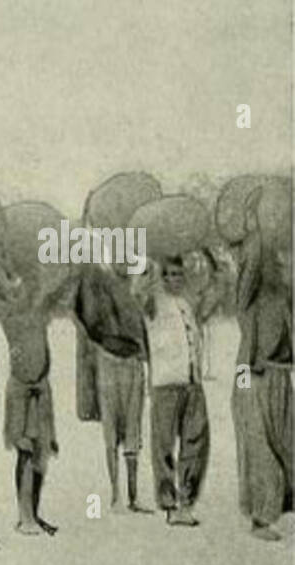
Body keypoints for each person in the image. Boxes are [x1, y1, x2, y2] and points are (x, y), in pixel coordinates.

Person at [0, 260, 76, 536]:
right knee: (25, 452)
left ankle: (34, 513)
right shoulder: (11, 316)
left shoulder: (39, 312)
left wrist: (68, 269)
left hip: (41, 388)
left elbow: (59, 290)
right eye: (23, 288)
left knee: (41, 455)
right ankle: (25, 514)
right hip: (22, 390)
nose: (29, 291)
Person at [139, 254, 224, 526]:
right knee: (163, 445)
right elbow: (138, 288)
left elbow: (216, 290)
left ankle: (186, 502)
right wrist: (149, 260)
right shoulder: (153, 304)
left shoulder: (188, 304)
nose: (173, 279)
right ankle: (168, 503)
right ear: (161, 278)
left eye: (177, 274)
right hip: (165, 384)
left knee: (196, 442)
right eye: (168, 275)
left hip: (193, 383)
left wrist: (209, 256)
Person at [231, 191, 293, 541]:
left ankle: (275, 509)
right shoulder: (256, 249)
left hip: (279, 366)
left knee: (284, 437)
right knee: (258, 440)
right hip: (254, 367)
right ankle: (260, 518)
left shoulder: (281, 261)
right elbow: (242, 302)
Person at [76, 261, 152, 514]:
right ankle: (115, 495)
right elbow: (85, 320)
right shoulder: (99, 283)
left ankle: (132, 496)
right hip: (108, 360)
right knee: (111, 429)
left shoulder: (136, 289)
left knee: (133, 429)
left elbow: (144, 329)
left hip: (133, 363)